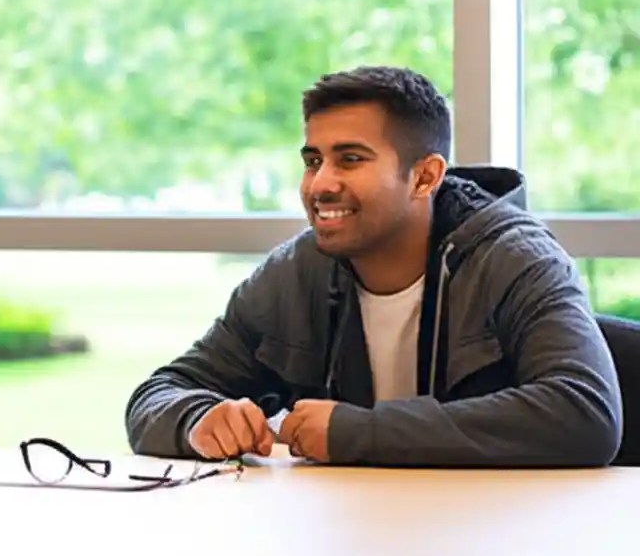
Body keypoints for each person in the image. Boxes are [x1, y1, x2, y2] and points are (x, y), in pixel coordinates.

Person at [125, 66, 622, 467]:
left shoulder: (514, 258)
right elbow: (156, 396)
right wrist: (199, 420)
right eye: (313, 160)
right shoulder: (294, 273)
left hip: (506, 541)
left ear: (425, 177)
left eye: (351, 160)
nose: (320, 184)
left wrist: (355, 431)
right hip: (347, 539)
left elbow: (584, 411)